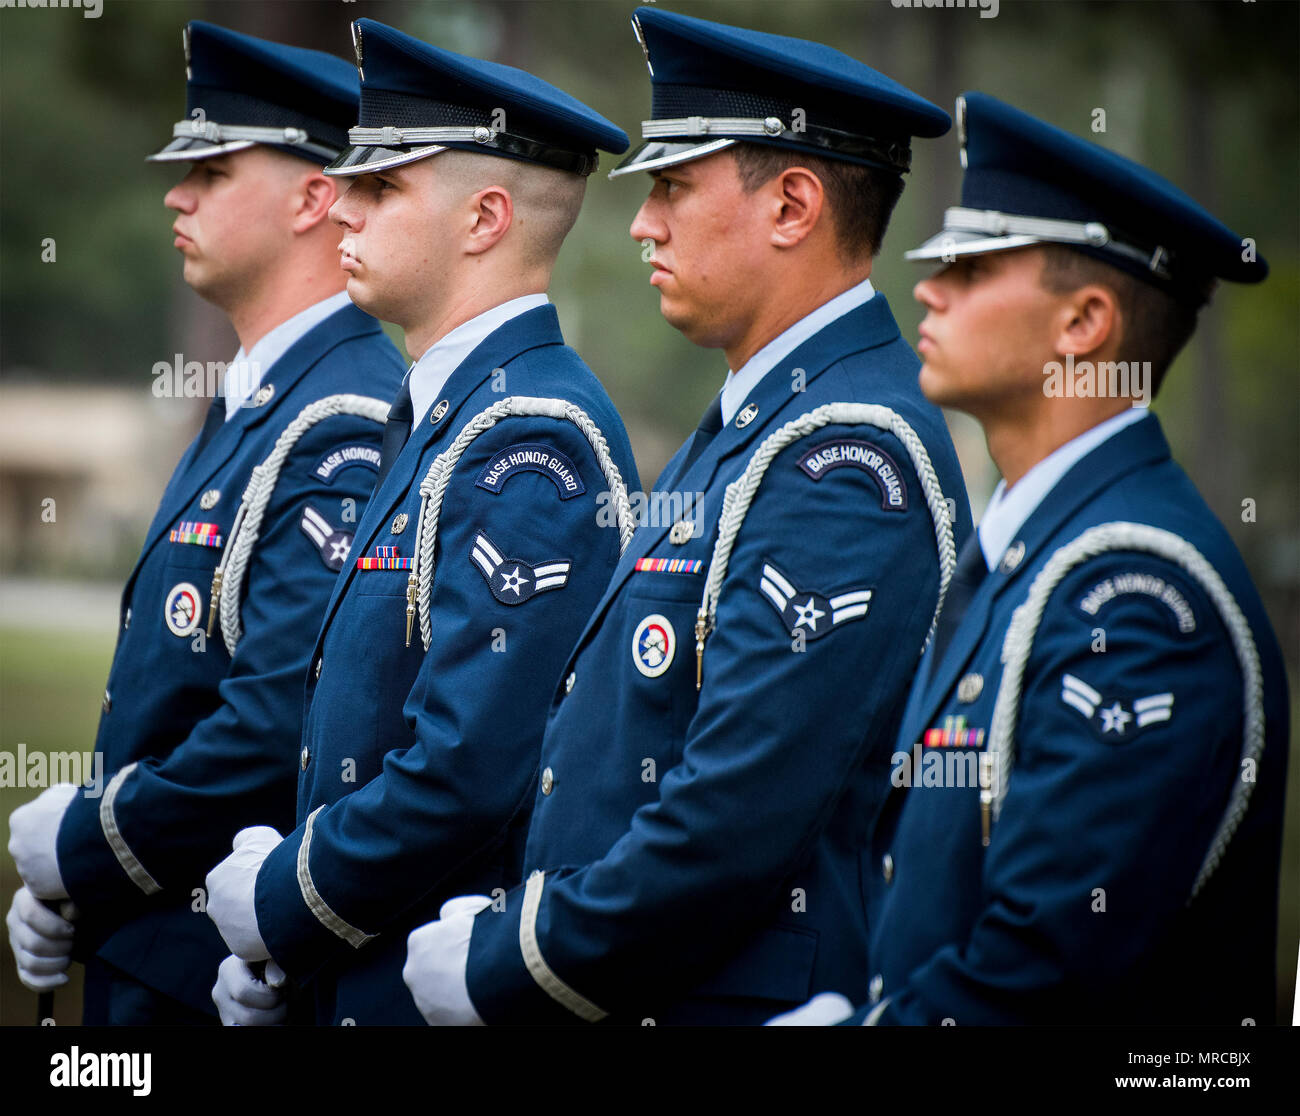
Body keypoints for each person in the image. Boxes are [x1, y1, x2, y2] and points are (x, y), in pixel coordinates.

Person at [401, 6, 972, 1026]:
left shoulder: (848, 455)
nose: (640, 222)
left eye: (671, 187)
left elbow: (732, 820)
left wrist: (513, 962)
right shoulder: (763, 416)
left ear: (792, 204)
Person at [775, 91, 1288, 1026]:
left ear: (1083, 325)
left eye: (970, 269)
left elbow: (1046, 973)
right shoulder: (1032, 554)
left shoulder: (1135, 596)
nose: (927, 287)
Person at [202, 18, 640, 1026]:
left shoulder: (530, 439)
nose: (339, 208)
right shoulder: (446, 409)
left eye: (382, 186)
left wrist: (283, 906)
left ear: (484, 219)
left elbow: (466, 773)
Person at [6, 21, 405, 1024]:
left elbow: (276, 720)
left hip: (213, 964)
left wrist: (86, 846)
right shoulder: (261, 394)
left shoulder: (343, 418)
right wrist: (82, 885)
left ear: (317, 196)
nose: (176, 196)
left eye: (214, 171)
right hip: (148, 939)